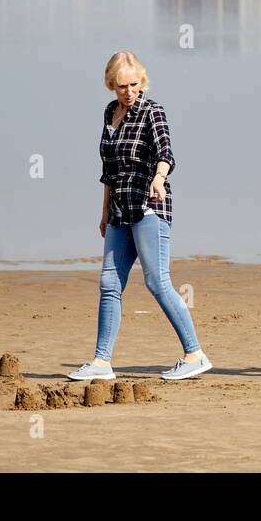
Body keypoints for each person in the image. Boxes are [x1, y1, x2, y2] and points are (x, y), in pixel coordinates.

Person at [68, 51, 213, 382]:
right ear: (110, 85)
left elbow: (166, 154)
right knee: (109, 283)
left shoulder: (152, 111)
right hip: (119, 211)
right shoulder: (109, 113)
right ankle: (101, 363)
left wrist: (159, 178)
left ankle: (195, 354)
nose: (129, 92)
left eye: (134, 84)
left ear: (141, 82)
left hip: (149, 207)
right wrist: (104, 212)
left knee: (156, 281)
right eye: (122, 86)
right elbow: (108, 170)